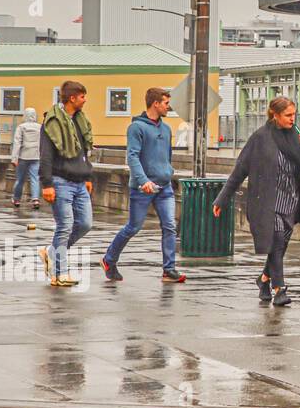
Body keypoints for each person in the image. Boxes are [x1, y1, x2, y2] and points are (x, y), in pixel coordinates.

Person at [213, 96, 300, 307]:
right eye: (287, 115)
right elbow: (240, 169)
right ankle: (280, 289)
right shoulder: (260, 138)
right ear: (274, 115)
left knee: (280, 245)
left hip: (291, 199)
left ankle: (264, 279)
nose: (292, 119)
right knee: (276, 240)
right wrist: (222, 199)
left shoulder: (295, 135)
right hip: (268, 201)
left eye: (294, 115)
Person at [102, 88, 183, 282]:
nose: (168, 107)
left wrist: (168, 171)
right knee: (133, 227)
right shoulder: (137, 128)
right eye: (165, 103)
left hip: (164, 186)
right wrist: (143, 180)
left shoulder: (166, 128)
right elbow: (132, 156)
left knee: (170, 226)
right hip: (142, 188)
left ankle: (169, 269)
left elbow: (167, 155)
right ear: (155, 103)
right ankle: (109, 259)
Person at [38, 82, 96, 288]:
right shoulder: (52, 123)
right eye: (82, 96)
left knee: (86, 224)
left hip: (80, 180)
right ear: (72, 98)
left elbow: (83, 152)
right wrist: (46, 184)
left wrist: (87, 175)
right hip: (60, 180)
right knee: (65, 226)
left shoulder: (80, 121)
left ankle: (51, 253)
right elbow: (45, 155)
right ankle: (59, 273)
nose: (85, 100)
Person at [11, 106, 42, 209]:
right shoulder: (40, 127)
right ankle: (35, 199)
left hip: (23, 156)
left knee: (20, 179)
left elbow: (17, 143)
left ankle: (16, 199)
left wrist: (14, 158)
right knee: (35, 178)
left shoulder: (21, 127)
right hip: (36, 156)